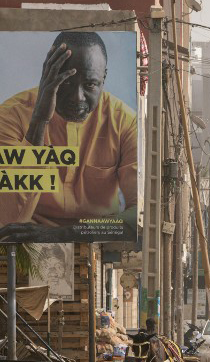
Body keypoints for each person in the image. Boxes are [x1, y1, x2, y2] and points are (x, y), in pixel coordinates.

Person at [0, 33, 137, 242]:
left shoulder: (125, 121)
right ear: (48, 75)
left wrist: (65, 234)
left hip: (97, 246)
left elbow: (137, 216)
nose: (77, 97)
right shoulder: (11, 116)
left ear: (104, 78)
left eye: (90, 85)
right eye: (66, 82)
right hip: (27, 248)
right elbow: (11, 220)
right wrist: (39, 121)